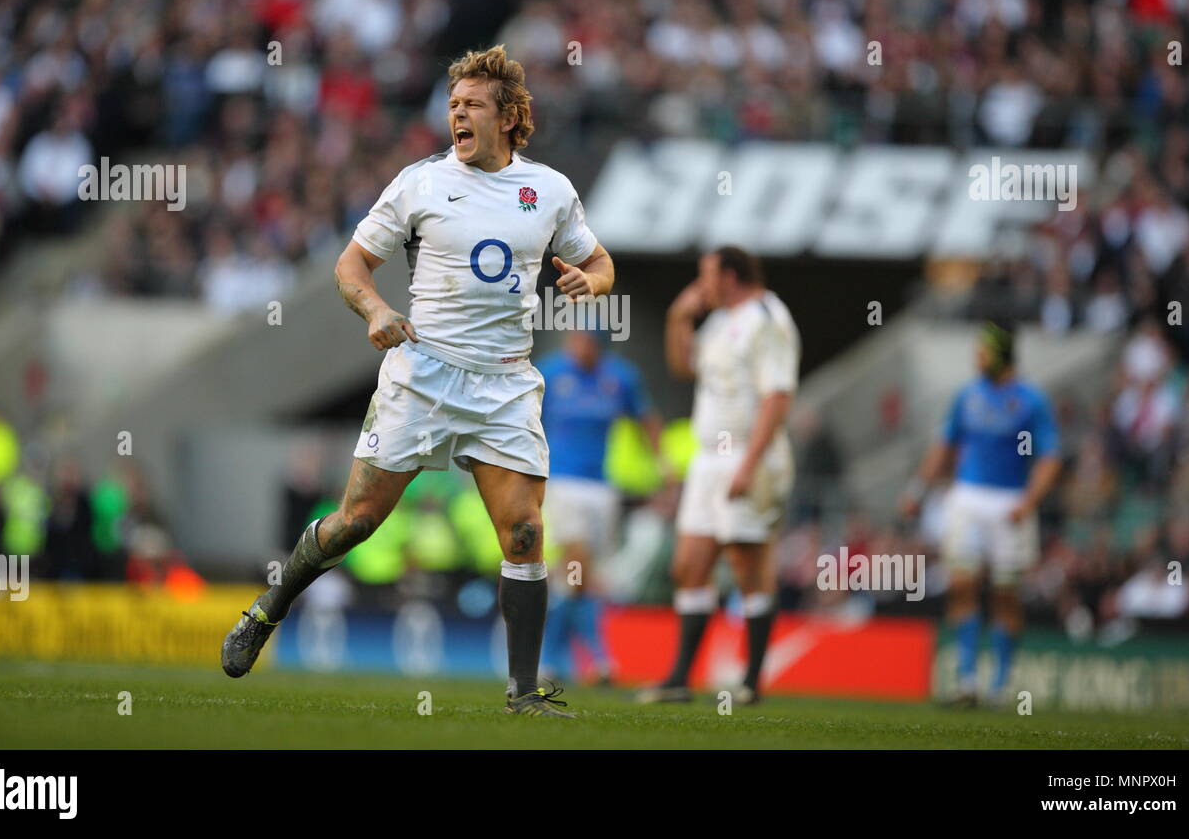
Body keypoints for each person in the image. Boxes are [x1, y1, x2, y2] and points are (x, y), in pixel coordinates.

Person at [222, 45, 615, 717]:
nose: (457, 113)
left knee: (522, 534)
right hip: (423, 375)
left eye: (472, 105)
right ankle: (269, 606)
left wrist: (592, 280)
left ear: (510, 116)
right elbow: (351, 265)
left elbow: (600, 260)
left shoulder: (548, 190)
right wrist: (375, 309)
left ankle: (523, 693)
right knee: (357, 523)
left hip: (504, 384)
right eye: (453, 104)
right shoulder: (420, 183)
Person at [639, 246, 798, 706]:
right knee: (688, 565)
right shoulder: (718, 320)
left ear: (730, 276)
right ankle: (679, 679)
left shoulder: (768, 318)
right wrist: (676, 319)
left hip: (749, 456)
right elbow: (683, 367)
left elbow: (778, 397)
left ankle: (751, 681)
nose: (702, 284)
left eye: (707, 275)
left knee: (748, 567)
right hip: (709, 459)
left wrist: (749, 466)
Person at [899, 322, 1062, 707]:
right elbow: (944, 447)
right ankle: (967, 680)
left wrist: (1029, 500)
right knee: (963, 584)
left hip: (1010, 503)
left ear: (1003, 354)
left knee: (1005, 595)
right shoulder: (967, 396)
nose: (977, 357)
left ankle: (1001, 686)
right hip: (968, 499)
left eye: (984, 351)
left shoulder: (1031, 401)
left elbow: (1050, 458)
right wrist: (917, 490)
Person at [536, 330, 661, 684]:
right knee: (578, 566)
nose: (576, 346)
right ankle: (598, 658)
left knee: (578, 581)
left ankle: (550, 662)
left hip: (601, 488)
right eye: (574, 339)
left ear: (599, 344)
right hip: (562, 481)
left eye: (584, 340)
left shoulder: (620, 377)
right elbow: (524, 417)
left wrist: (661, 464)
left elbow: (645, 419)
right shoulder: (550, 372)